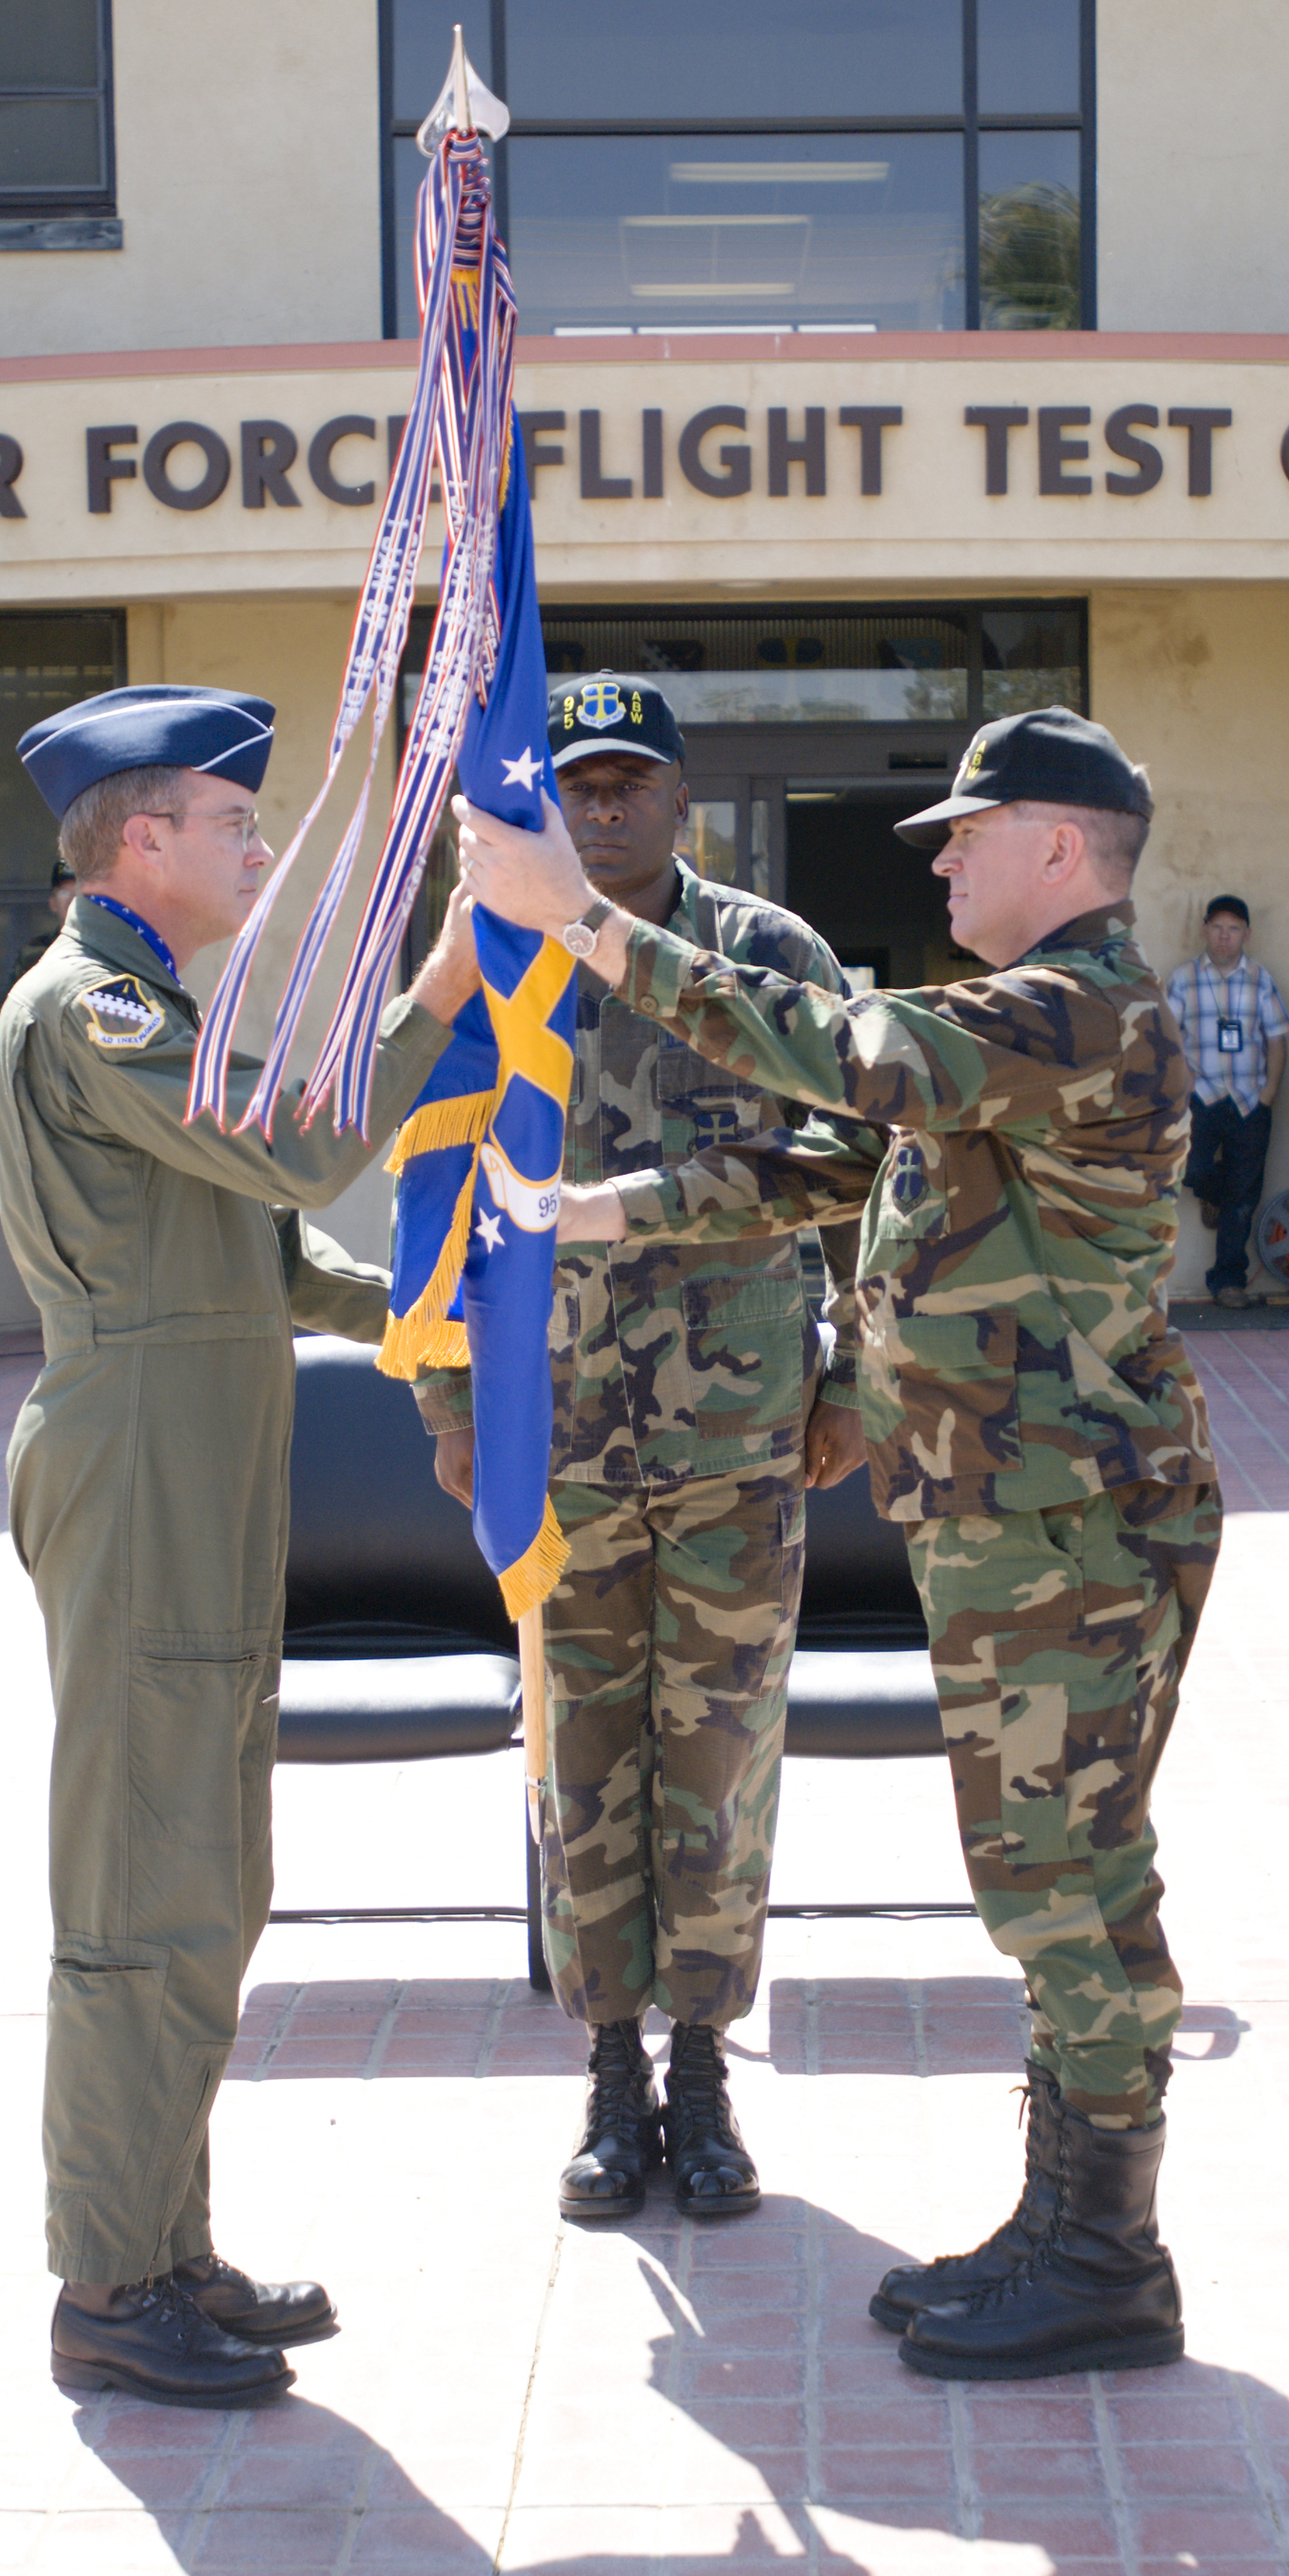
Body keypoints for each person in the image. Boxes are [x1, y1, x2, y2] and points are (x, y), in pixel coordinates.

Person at [452, 703, 1220, 2385]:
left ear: (1061, 852)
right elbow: (822, 1159)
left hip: (1070, 1522)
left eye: (966, 832)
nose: (939, 856)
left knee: (1073, 1888)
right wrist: (602, 1212)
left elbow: (848, 1062)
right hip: (1015, 1517)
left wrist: (581, 921)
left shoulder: (1074, 1007)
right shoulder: (1016, 1024)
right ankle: (1065, 2220)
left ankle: (1107, 2253)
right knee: (1041, 1882)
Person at [0, 684, 478, 2408]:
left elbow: (255, 1261)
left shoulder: (150, 1005)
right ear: (140, 836)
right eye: (234, 823)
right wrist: (432, 997)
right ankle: (109, 2285)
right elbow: (298, 1150)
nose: (263, 848)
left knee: (199, 1879)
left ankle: (162, 2244)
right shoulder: (95, 1013)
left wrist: (420, 1318)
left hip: (191, 1467)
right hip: (139, 1471)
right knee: (140, 1894)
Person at [418, 672, 868, 2224]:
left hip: (739, 1439)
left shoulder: (767, 956)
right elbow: (436, 1196)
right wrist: (450, 1405)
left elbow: (863, 1168)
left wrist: (856, 1378)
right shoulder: (492, 960)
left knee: (722, 1767)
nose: (601, 811)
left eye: (629, 787)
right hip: (560, 1451)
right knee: (583, 1768)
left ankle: (704, 2067)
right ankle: (611, 2072)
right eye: (579, 789)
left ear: (686, 801)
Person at [1163, 894, 1289, 1305]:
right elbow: (1165, 1038)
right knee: (1189, 1169)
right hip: (1199, 1096)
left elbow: (1276, 1039)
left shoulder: (1260, 979)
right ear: (1205, 930)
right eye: (1217, 927)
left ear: (1246, 934)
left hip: (1250, 1099)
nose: (1224, 936)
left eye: (1233, 929)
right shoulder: (1183, 979)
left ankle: (1228, 1283)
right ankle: (1212, 1193)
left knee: (1243, 1198)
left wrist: (1268, 1094)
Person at [10, 856, 80, 983]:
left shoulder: (107, 950)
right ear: (53, 904)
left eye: (79, 892)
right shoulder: (33, 955)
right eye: (64, 893)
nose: (72, 899)